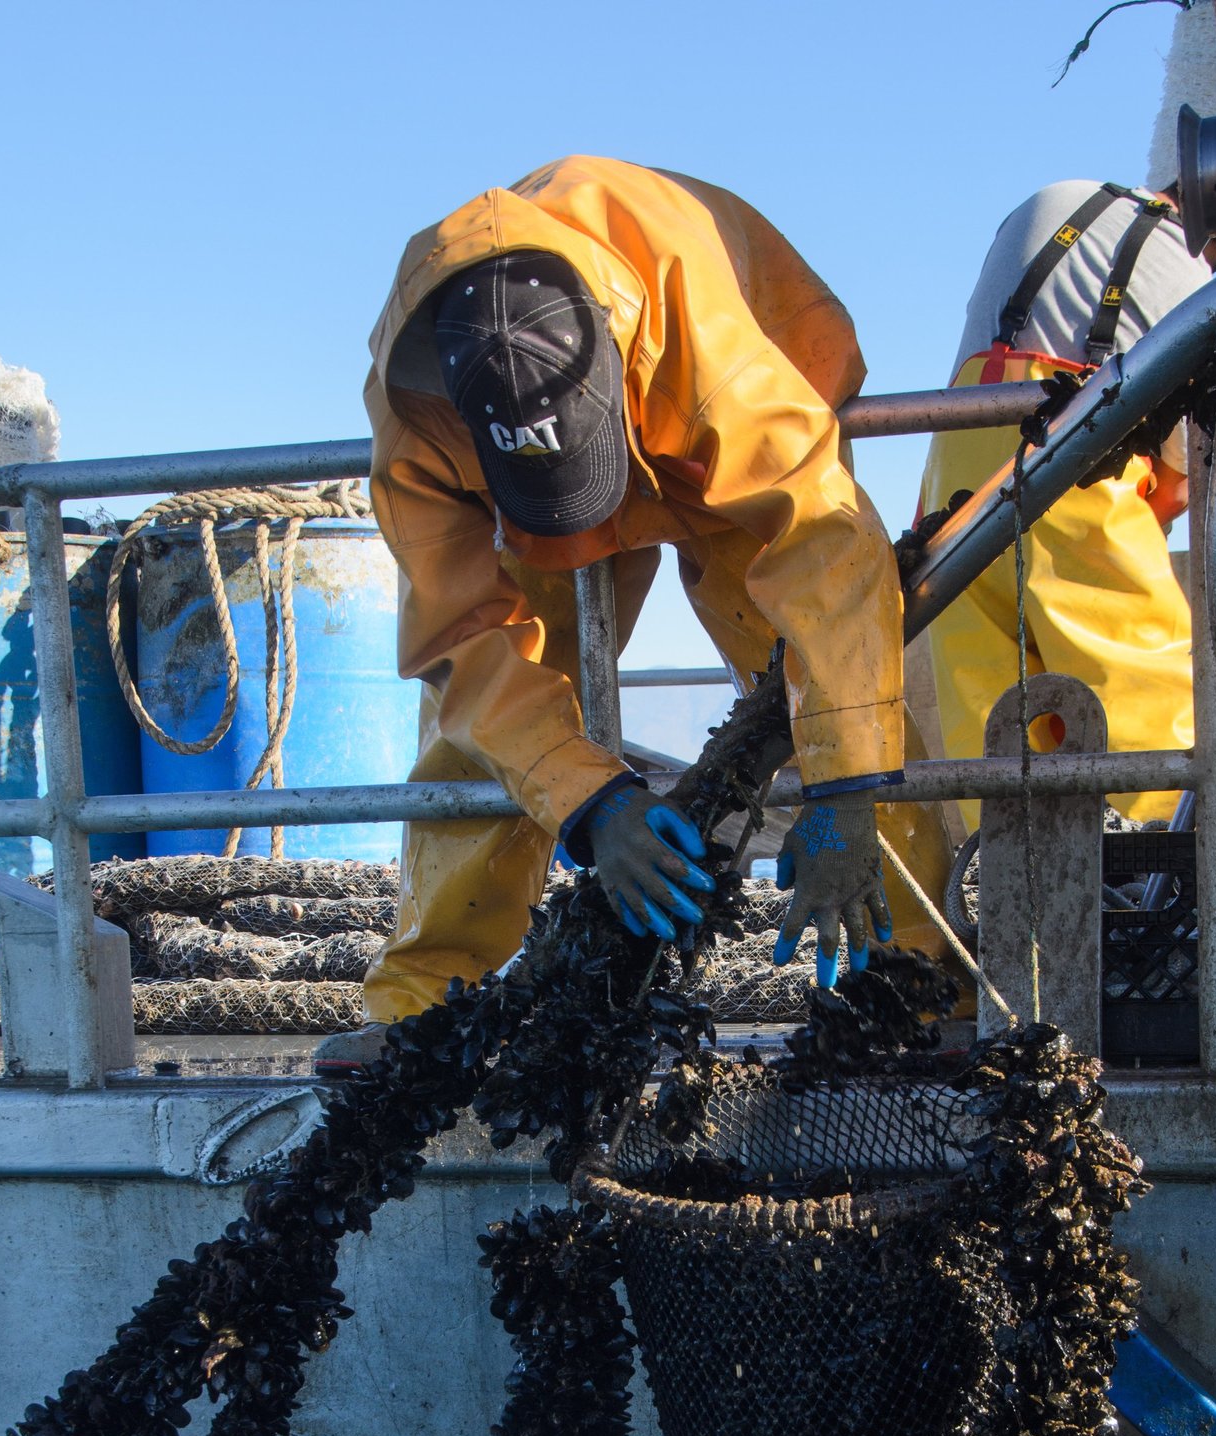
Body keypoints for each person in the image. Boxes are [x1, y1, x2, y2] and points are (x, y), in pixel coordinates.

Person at [315, 156, 953, 1068]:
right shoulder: (419, 422)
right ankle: (426, 1005)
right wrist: (591, 803)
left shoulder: (706, 352)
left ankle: (920, 978)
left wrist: (844, 791)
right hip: (522, 509)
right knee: (479, 737)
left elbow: (823, 546)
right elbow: (464, 637)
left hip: (705, 453)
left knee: (837, 682)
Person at [917, 176, 1213, 826]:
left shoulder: (1049, 200)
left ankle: (1013, 911)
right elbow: (1191, 472)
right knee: (1147, 723)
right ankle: (1188, 894)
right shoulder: (1187, 260)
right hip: (1072, 448)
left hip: (957, 466)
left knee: (994, 733)